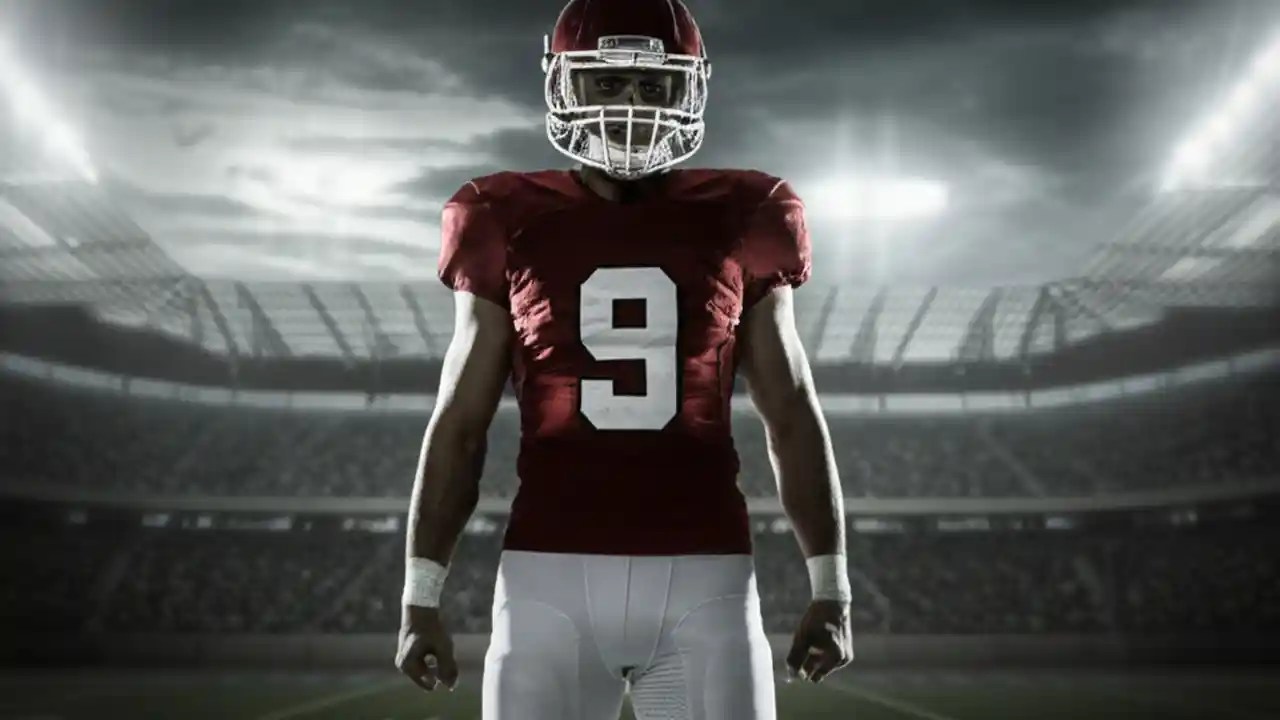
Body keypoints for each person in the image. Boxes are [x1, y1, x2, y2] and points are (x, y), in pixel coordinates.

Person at [395, 0, 853, 717]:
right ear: (564, 85)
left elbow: (791, 413)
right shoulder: (504, 217)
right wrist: (420, 594)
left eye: (652, 86)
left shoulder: (744, 212)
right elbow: (460, 422)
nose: (630, 107)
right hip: (552, 574)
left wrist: (833, 585)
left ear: (689, 89)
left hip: (703, 577)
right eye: (607, 84)